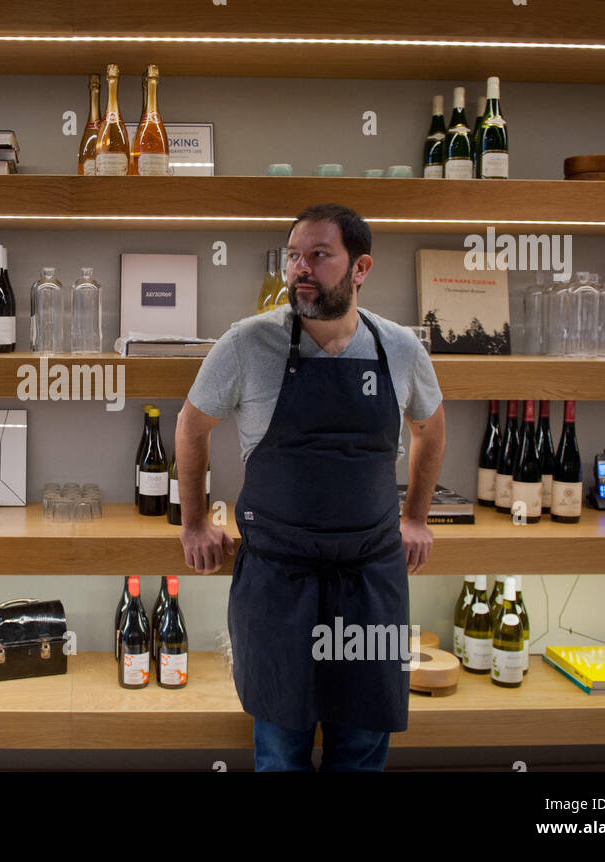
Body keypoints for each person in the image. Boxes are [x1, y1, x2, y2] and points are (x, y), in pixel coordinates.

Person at [175, 203, 445, 772]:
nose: (300, 268)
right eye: (293, 256)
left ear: (360, 267)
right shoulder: (247, 343)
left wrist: (416, 518)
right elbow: (190, 425)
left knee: (361, 745)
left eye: (319, 256)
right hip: (279, 579)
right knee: (280, 747)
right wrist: (194, 522)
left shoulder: (399, 348)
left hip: (370, 578)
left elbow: (430, 429)